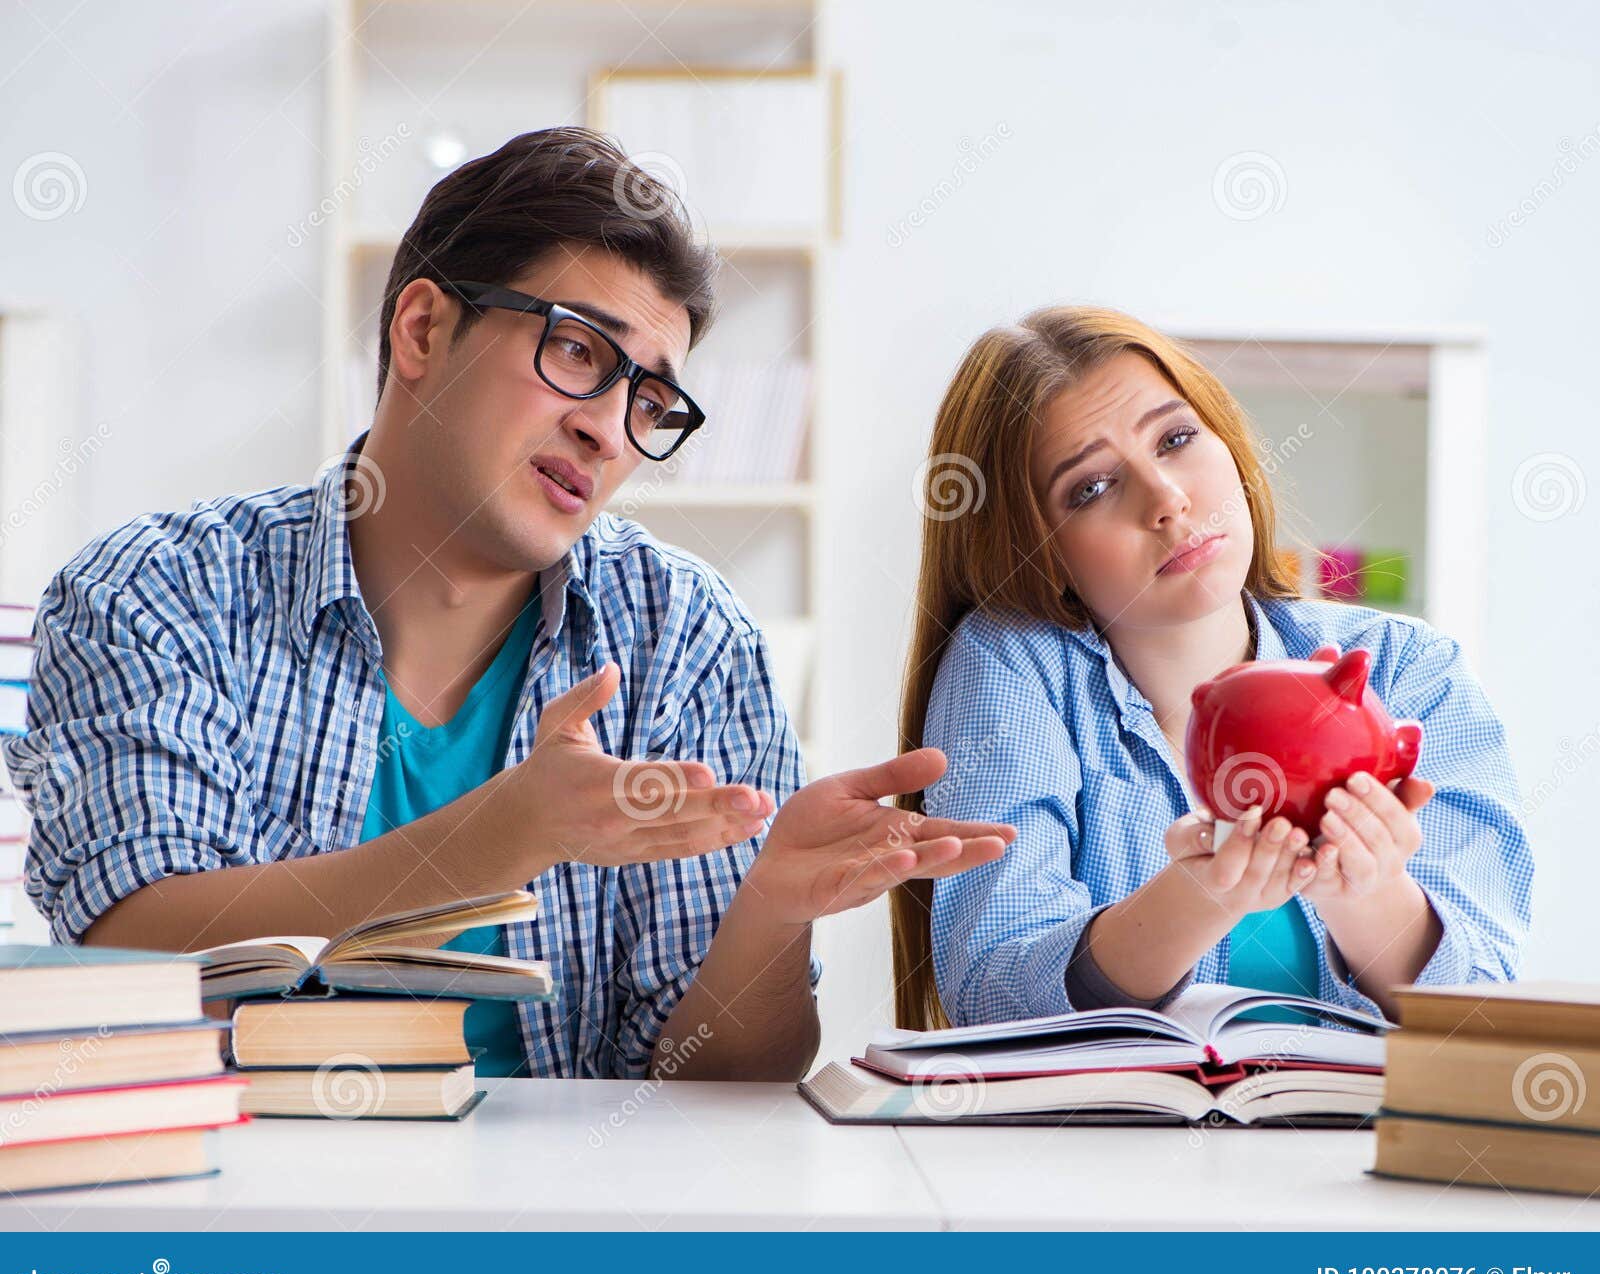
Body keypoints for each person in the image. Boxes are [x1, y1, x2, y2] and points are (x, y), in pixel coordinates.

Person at [4, 128, 1015, 1081]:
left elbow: (711, 1086)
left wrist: (773, 918)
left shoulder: (689, 637)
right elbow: (127, 954)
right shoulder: (152, 590)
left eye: (649, 403)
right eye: (580, 352)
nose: (610, 432)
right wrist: (494, 838)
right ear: (423, 328)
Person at [889, 306, 1531, 1030]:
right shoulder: (1010, 665)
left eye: (1177, 438)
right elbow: (990, 989)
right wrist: (1196, 901)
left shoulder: (1405, 669)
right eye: (1090, 488)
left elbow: (1482, 1012)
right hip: (1107, 1145)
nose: (1167, 499)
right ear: (1039, 552)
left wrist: (1367, 895)